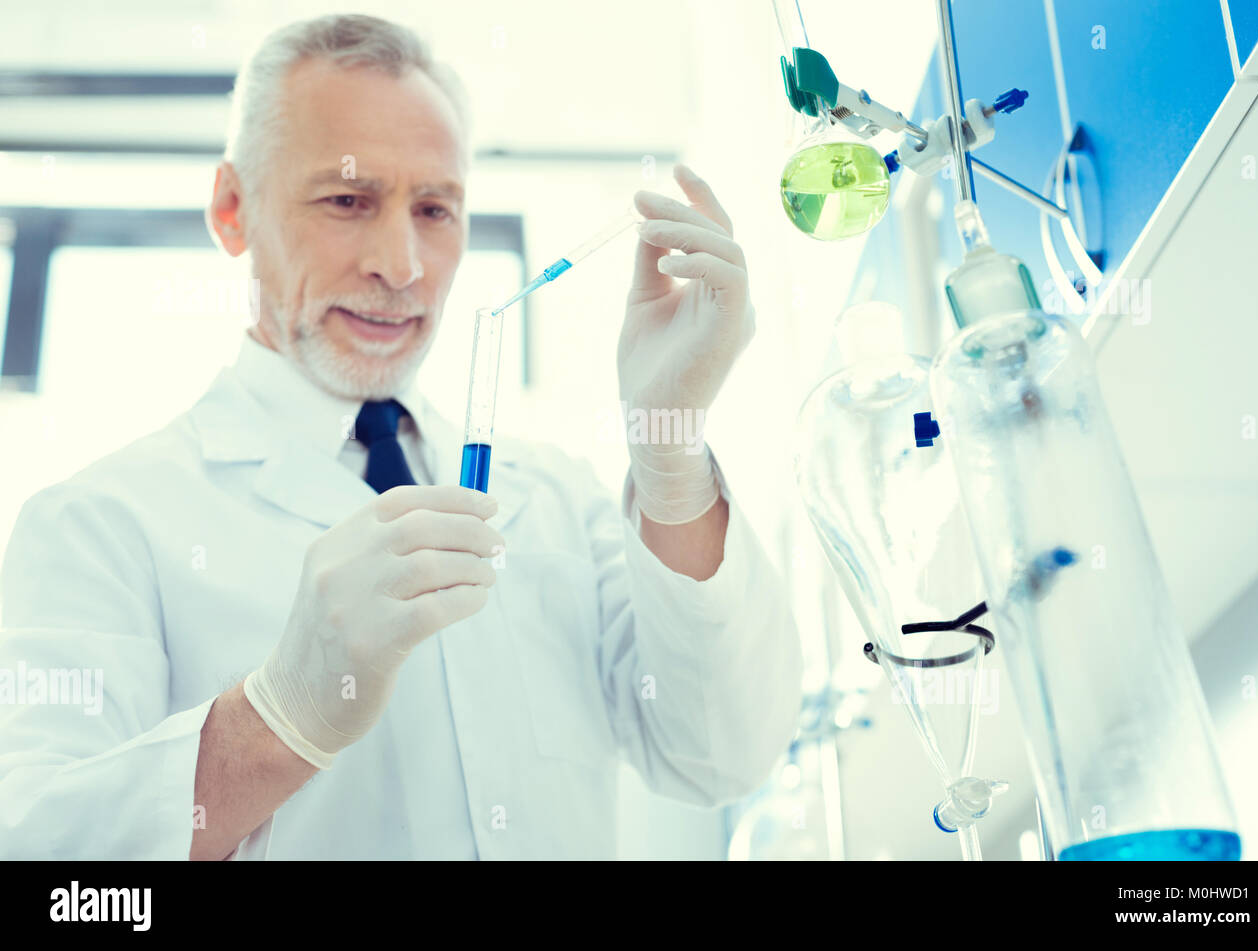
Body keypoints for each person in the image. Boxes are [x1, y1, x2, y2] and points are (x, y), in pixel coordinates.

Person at [0, 13, 801, 860]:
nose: (403, 264)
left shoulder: (555, 498)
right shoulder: (98, 525)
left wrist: (669, 452)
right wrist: (278, 719)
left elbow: (722, 751)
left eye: (434, 208)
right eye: (348, 200)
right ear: (233, 211)